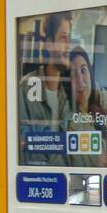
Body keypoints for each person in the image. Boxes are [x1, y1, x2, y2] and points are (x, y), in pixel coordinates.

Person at [18, 11, 73, 165]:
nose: (68, 46)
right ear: (49, 44)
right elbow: (24, 150)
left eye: (70, 38)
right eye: (63, 38)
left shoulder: (69, 93)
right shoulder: (27, 87)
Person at [67, 46, 107, 167]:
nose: (80, 81)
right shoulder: (73, 126)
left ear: (90, 73)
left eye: (83, 70)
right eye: (73, 75)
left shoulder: (100, 101)